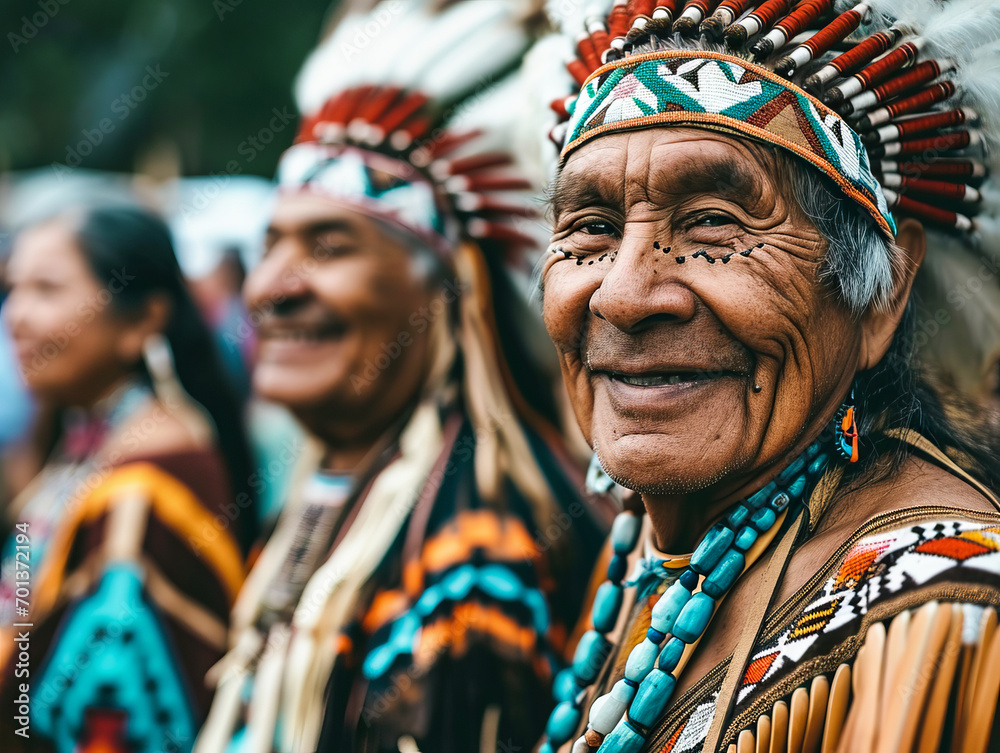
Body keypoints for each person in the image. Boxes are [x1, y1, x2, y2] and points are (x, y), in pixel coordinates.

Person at [528, 1, 1000, 751]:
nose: (622, 295)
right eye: (592, 228)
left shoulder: (945, 614)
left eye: (714, 222)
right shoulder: (648, 559)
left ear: (881, 295)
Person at [194, 3, 614, 752]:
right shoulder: (344, 495)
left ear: (448, 293)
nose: (268, 289)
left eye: (329, 246)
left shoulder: (479, 561)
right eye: (269, 245)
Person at [0, 204, 257, 753]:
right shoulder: (83, 443)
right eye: (12, 288)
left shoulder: (145, 488)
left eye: (46, 289)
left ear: (143, 320)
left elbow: (115, 721)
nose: (16, 314)